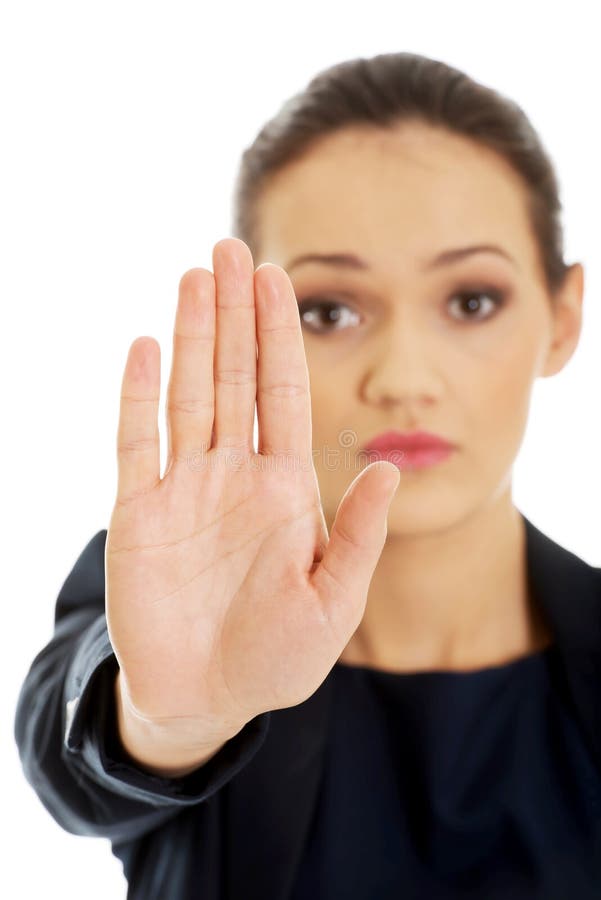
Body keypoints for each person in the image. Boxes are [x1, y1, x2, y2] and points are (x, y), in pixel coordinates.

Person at [13, 50, 601, 900]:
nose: (402, 377)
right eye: (329, 311)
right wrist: (168, 719)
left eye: (470, 301)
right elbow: (72, 759)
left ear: (561, 317)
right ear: (256, 331)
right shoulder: (183, 622)